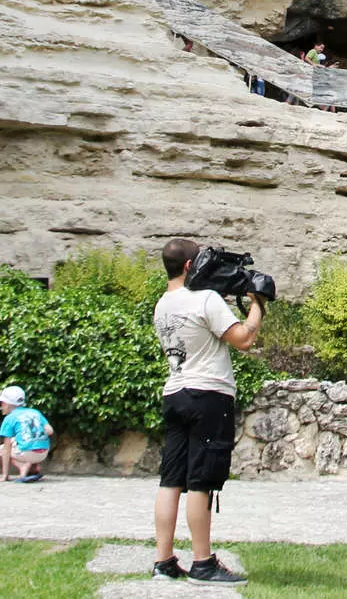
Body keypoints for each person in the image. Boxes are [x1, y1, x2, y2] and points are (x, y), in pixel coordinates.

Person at [150, 238, 264, 584]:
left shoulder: (162, 305)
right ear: (189, 266)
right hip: (209, 395)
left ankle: (164, 561)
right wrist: (257, 304)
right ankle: (203, 563)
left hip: (176, 392)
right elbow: (243, 339)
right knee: (201, 481)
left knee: (171, 480)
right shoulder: (206, 299)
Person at [0, 386, 52, 482]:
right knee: (19, 441)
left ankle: (23, 467)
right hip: (44, 453)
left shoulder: (10, 418)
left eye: (2, 403)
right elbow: (50, 431)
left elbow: (6, 447)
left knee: (0, 450)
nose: (1, 406)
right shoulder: (35, 412)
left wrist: (4, 475)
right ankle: (33, 469)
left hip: (27, 454)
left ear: (7, 404)